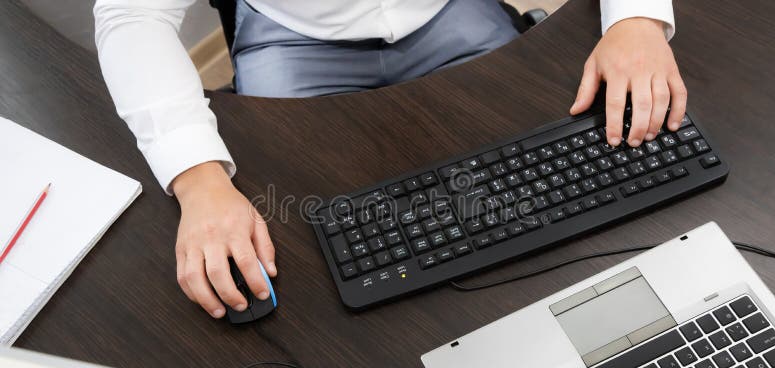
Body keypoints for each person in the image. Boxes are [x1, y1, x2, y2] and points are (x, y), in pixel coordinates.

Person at [94, 0, 686, 319]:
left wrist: (637, 17)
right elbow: (131, 14)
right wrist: (197, 180)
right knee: (304, 246)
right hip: (295, 37)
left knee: (559, 186)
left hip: (448, 12)